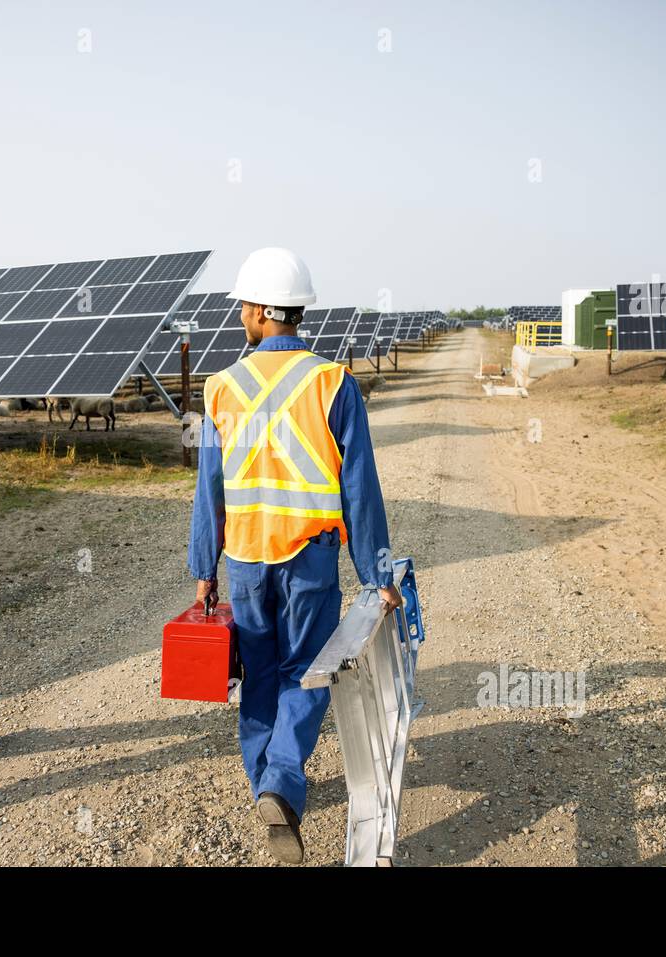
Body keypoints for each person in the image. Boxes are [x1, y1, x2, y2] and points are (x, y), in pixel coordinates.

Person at [188, 248, 402, 863]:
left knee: (257, 673)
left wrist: (205, 570)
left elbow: (210, 489)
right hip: (309, 558)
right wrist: (377, 575)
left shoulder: (221, 388)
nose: (241, 319)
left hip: (245, 560)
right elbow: (361, 490)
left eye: (242, 310)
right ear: (297, 311)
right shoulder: (333, 383)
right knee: (307, 669)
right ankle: (282, 780)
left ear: (258, 311)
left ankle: (266, 783)